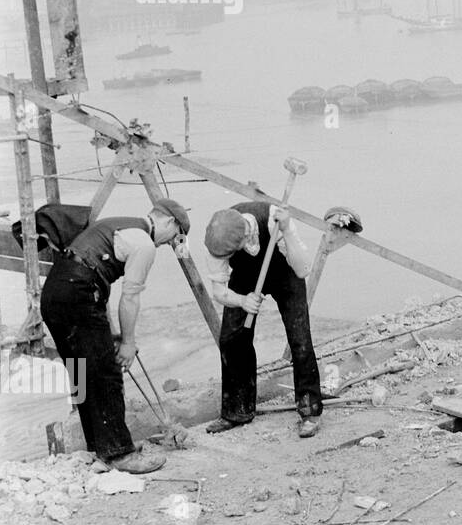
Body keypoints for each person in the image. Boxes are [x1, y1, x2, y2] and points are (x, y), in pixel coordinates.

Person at [39, 199, 191, 474]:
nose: (168, 243)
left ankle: (99, 447)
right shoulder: (144, 244)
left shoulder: (120, 222)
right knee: (107, 372)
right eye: (175, 236)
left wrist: (113, 334)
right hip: (78, 292)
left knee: (81, 371)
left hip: (56, 291)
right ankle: (120, 453)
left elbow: (96, 276)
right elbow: (130, 298)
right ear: (169, 221)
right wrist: (129, 343)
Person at [201, 200, 323, 438]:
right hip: (245, 278)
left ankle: (310, 410)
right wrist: (241, 301)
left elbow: (303, 269)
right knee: (231, 339)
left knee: (300, 340)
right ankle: (237, 411)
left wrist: (286, 229)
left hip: (285, 272)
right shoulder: (216, 243)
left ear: (245, 238)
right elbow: (219, 292)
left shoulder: (273, 220)